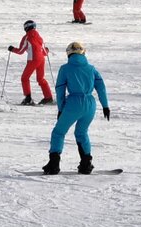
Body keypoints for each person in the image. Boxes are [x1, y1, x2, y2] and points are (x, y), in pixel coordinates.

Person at [42, 41, 110, 175]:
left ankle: (54, 164)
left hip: (73, 103)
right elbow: (101, 88)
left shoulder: (65, 68)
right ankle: (86, 164)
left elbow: (60, 90)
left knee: (58, 132)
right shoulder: (91, 68)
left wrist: (61, 109)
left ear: (69, 54)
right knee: (81, 133)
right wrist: (105, 106)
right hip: (90, 104)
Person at [9, 20, 54, 105]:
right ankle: (48, 97)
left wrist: (12, 49)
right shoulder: (39, 37)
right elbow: (44, 52)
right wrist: (47, 50)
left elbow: (20, 51)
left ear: (26, 27)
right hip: (41, 59)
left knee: (24, 78)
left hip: (33, 59)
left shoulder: (26, 37)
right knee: (40, 79)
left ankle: (28, 98)